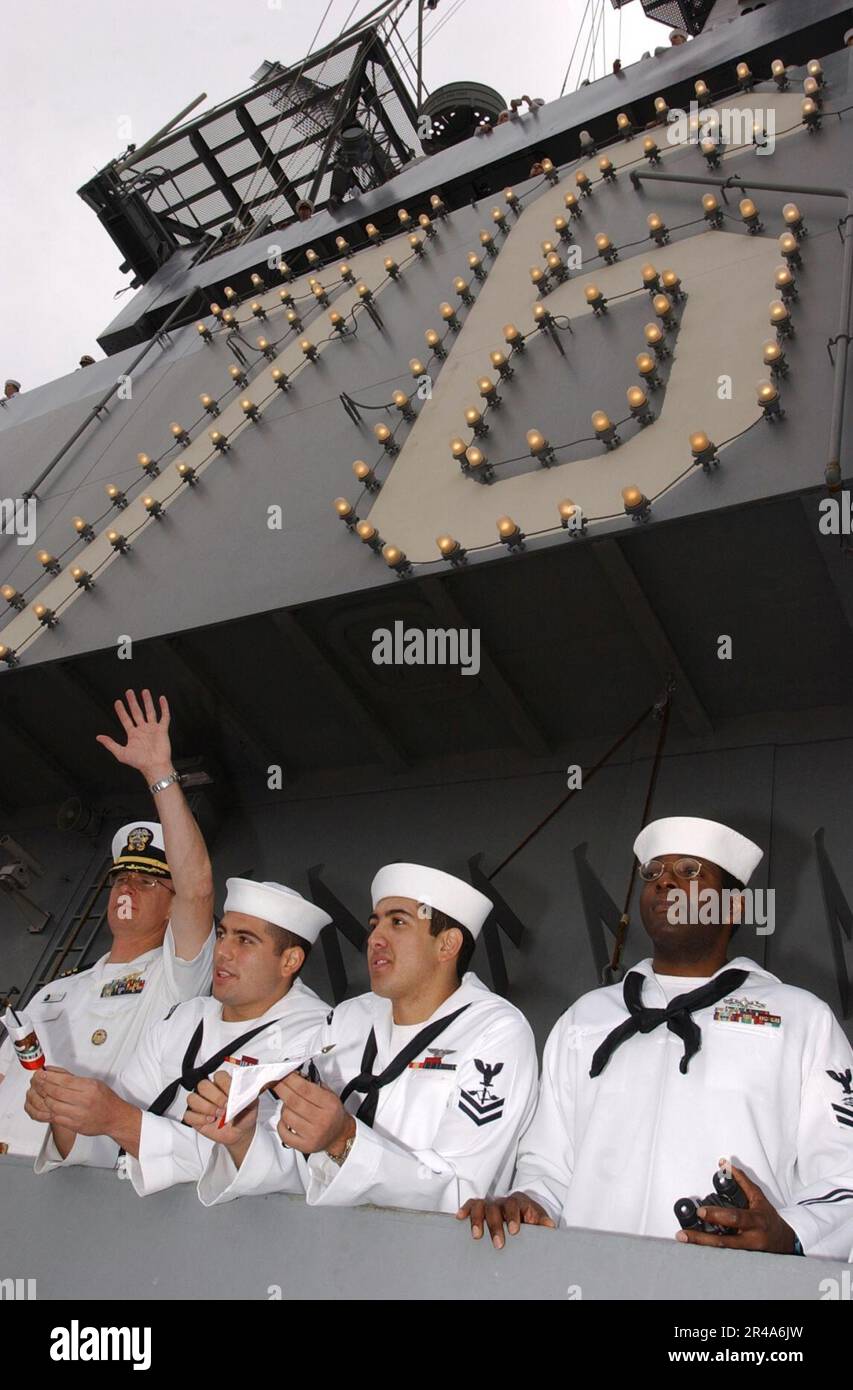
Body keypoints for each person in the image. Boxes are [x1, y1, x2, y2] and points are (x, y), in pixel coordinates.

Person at [461, 817, 853, 1260]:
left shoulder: (800, 1019)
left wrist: (793, 1232)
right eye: (651, 873)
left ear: (735, 907)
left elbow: (844, 1174)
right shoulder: (584, 1019)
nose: (663, 880)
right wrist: (528, 1201)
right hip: (587, 1277)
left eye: (689, 872)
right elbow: (548, 1166)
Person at [193, 862, 538, 1212]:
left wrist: (344, 1139)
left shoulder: (496, 1031)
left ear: (447, 944)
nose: (374, 938)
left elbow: (462, 1190)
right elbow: (303, 1169)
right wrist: (243, 1138)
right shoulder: (348, 1019)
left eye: (398, 922)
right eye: (375, 924)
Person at [0, 689, 214, 1157]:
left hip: (78, 1188)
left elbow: (197, 890)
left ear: (173, 903)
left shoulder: (176, 980)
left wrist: (159, 773)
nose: (127, 888)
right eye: (121, 877)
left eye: (147, 881)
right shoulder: (55, 992)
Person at [28, 879, 331, 1194]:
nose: (223, 951)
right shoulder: (180, 1020)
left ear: (289, 961)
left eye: (245, 941)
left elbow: (279, 1170)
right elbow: (112, 1133)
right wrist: (68, 1114)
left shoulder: (317, 1037)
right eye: (223, 934)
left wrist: (119, 1120)